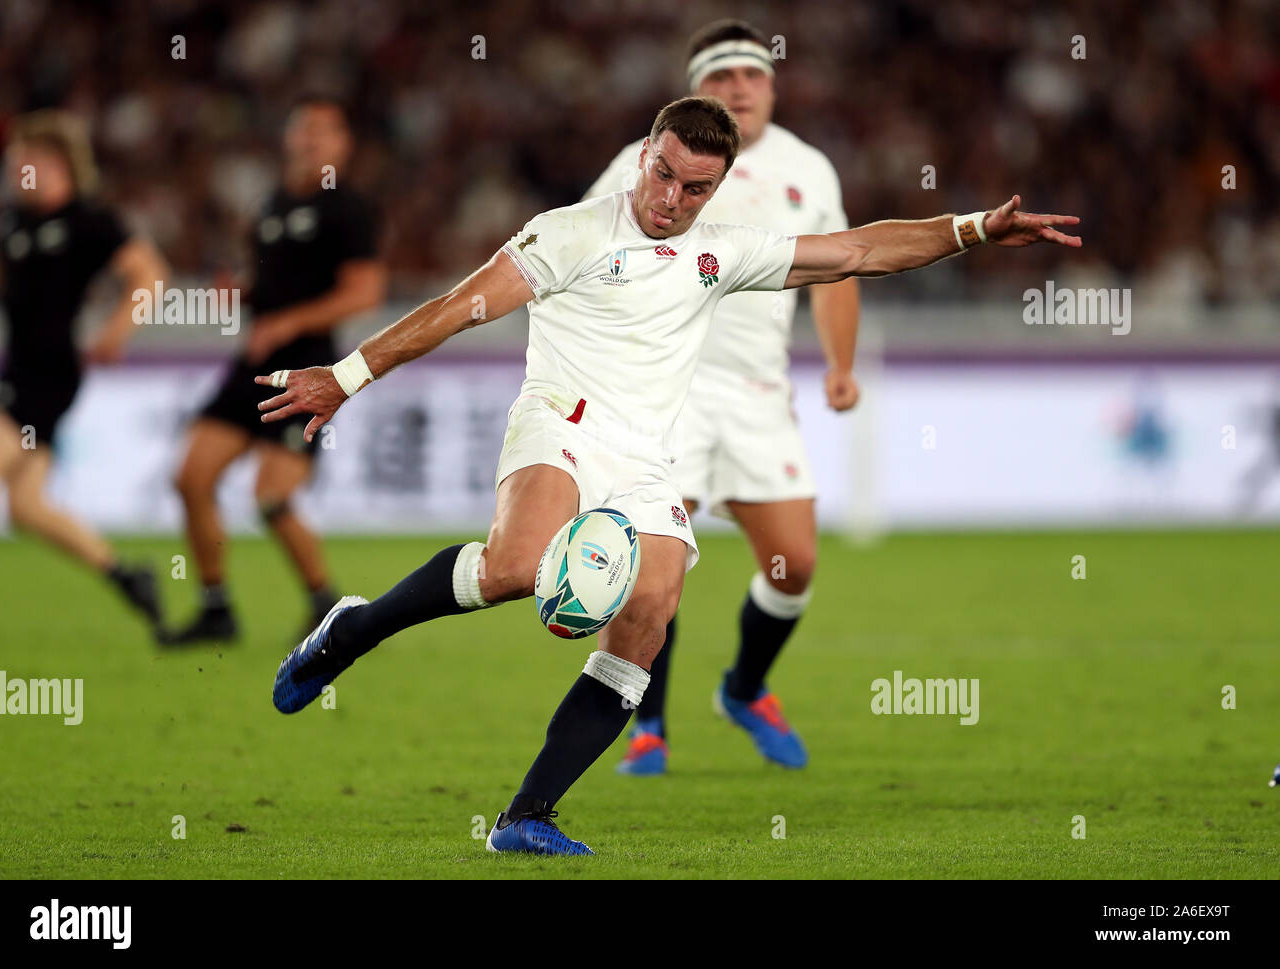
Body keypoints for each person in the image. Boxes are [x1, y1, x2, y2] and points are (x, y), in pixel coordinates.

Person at [260, 96, 1080, 855]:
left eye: (696, 188)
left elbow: (861, 249)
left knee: (649, 615)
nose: (673, 199)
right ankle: (352, 629)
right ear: (646, 154)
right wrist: (348, 374)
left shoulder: (722, 252)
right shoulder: (572, 232)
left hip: (646, 458)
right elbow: (463, 303)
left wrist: (973, 228)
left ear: (718, 185)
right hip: (561, 424)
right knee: (514, 568)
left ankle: (526, 815)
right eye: (664, 174)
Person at [585, 19, 861, 774]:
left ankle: (742, 689)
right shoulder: (640, 163)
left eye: (753, 75)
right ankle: (650, 726)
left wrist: (840, 363)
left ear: (772, 84)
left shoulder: (810, 169)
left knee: (793, 566)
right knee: (655, 569)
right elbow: (583, 256)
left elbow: (839, 271)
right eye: (721, 78)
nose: (740, 88)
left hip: (757, 395)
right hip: (664, 392)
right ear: (693, 93)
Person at [165, 95, 386, 645]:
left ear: (343, 146)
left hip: (309, 372)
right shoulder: (271, 205)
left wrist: (289, 323)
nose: (312, 140)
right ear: (288, 138)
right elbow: (268, 286)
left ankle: (326, 605)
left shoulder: (349, 209)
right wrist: (240, 294)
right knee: (190, 478)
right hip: (253, 364)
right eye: (304, 129)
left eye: (325, 131)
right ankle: (217, 608)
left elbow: (364, 292)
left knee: (271, 498)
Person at [0, 109, 166, 626]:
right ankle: (127, 575)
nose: (13, 171)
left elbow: (150, 274)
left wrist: (116, 330)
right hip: (16, 373)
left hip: (50, 374)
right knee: (24, 505)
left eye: (22, 160)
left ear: (54, 162)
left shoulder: (90, 221)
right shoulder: (14, 219)